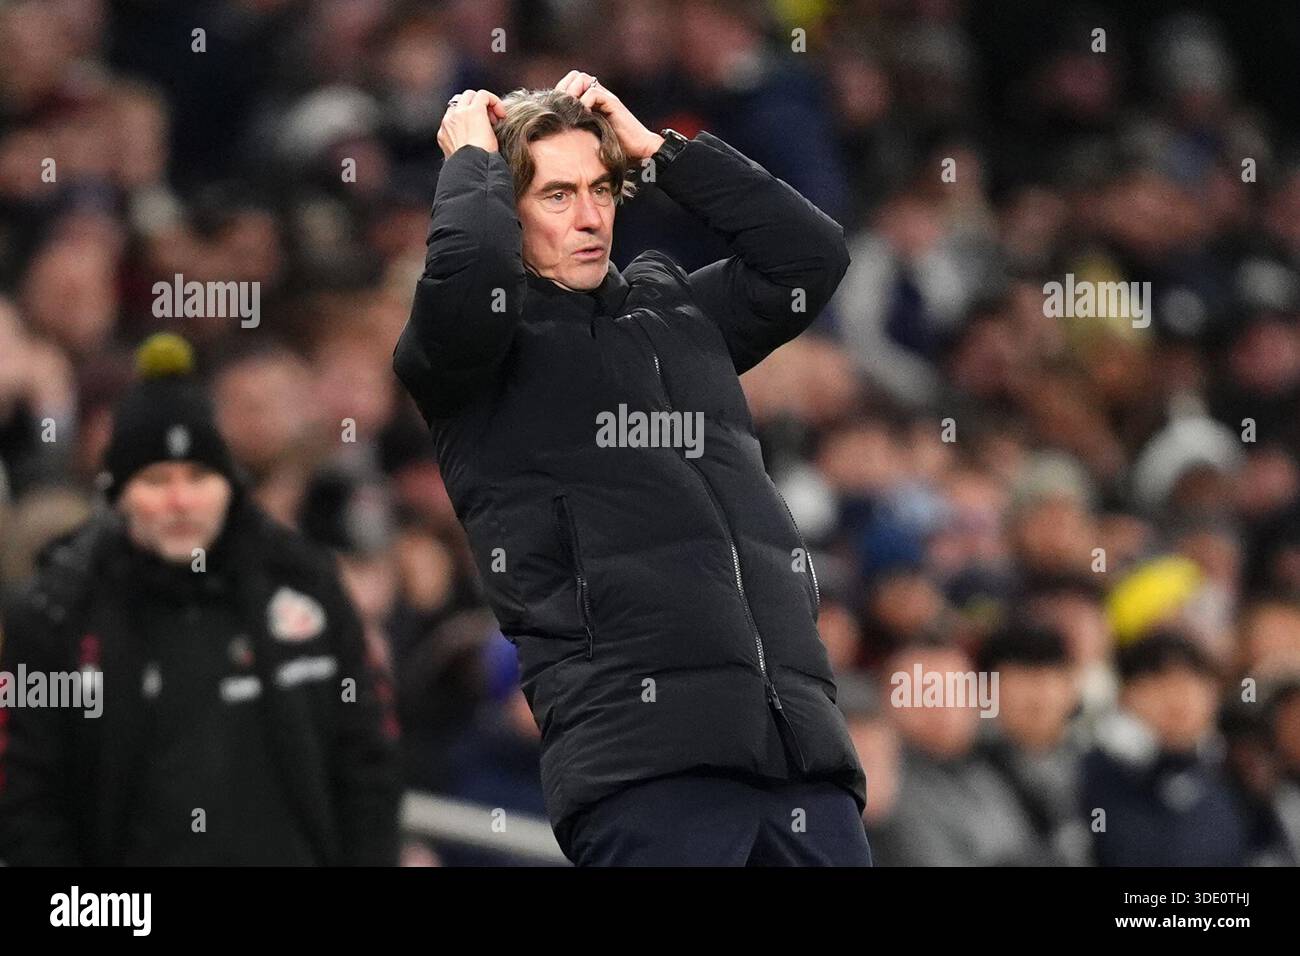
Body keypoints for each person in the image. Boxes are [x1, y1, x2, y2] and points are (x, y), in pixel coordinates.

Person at [392, 71, 868, 865]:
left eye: (603, 189)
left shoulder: (674, 309)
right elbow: (468, 276)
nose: (589, 217)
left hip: (799, 760)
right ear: (507, 211)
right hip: (646, 772)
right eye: (555, 196)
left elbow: (809, 257)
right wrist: (471, 160)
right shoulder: (478, 352)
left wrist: (664, 153)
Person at [0, 334, 400, 866]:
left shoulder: (305, 583)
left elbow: (368, 759)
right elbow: (26, 794)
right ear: (119, 494)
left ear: (228, 484)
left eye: (198, 476)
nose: (180, 500)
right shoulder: (57, 612)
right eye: (156, 478)